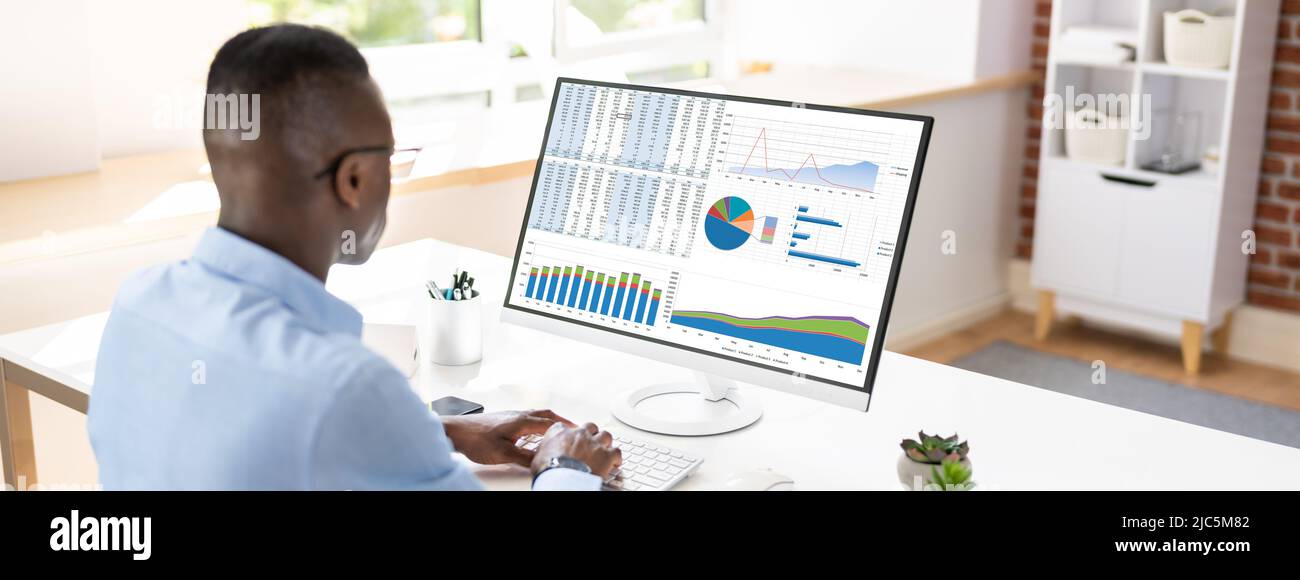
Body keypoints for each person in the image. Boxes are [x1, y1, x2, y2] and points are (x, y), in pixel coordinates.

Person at [87, 24, 620, 490]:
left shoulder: (138, 301)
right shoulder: (345, 384)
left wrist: (439, 430)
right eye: (390, 155)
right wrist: (565, 468)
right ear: (354, 180)